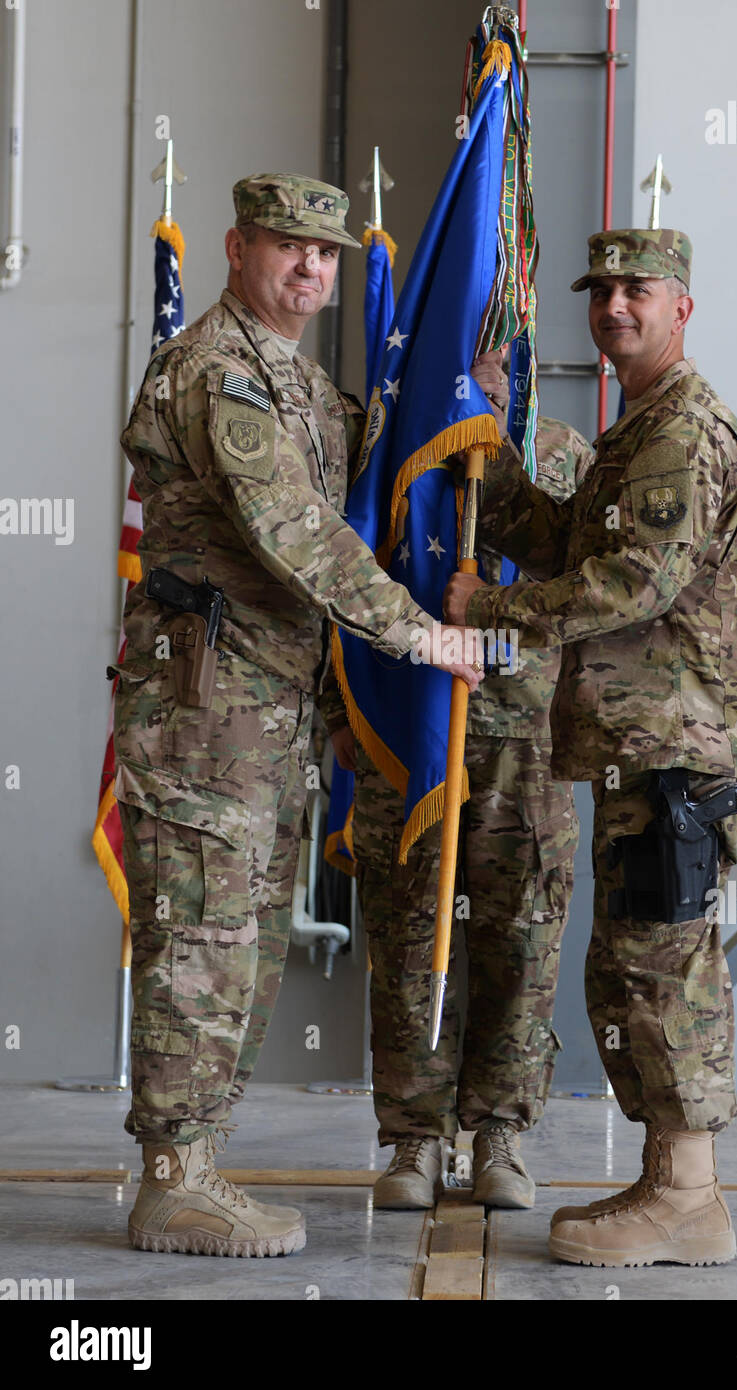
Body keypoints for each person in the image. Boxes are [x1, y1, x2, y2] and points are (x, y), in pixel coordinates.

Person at [112, 172, 482, 1258]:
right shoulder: (216, 372)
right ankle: (171, 1178)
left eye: (327, 257)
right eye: (288, 248)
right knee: (200, 939)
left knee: (248, 943)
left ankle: (197, 1165)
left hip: (266, 714)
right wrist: (418, 634)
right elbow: (296, 533)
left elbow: (383, 473)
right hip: (204, 711)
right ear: (236, 249)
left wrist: (469, 400)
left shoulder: (305, 389)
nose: (311, 270)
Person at [445, 229, 737, 1267]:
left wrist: (487, 604)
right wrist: (487, 452)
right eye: (604, 290)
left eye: (639, 290)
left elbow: (636, 582)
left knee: (662, 968)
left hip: (675, 742)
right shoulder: (635, 432)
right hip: (640, 746)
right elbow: (569, 545)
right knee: (633, 963)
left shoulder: (681, 432)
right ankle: (668, 1180)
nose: (615, 306)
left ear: (682, 305)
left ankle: (688, 1198)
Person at [321, 418, 591, 1211]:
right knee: (405, 931)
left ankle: (499, 1132)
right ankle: (415, 1135)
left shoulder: (566, 456)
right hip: (410, 738)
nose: (488, 359)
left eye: (503, 339)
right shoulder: (399, 442)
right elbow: (336, 575)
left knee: (523, 939)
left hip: (527, 741)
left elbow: (600, 594)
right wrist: (339, 706)